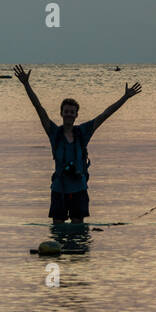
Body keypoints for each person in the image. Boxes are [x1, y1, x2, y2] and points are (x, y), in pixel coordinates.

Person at [13, 65, 141, 223]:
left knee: (78, 230)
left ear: (76, 115)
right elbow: (39, 108)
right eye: (66, 111)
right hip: (59, 189)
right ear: (61, 113)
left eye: (71, 112)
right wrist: (26, 84)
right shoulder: (54, 133)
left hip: (79, 189)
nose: (68, 114)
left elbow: (105, 114)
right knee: (57, 230)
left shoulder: (83, 132)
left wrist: (125, 97)